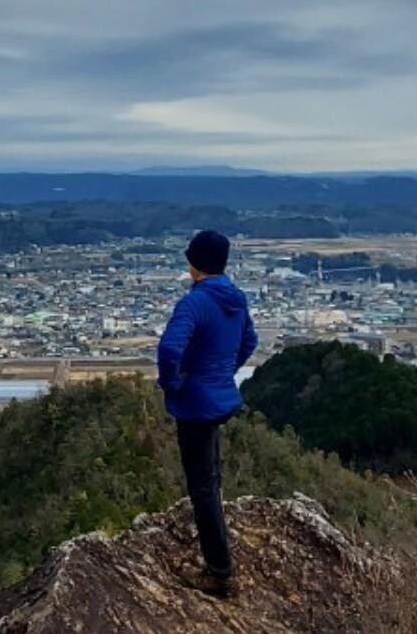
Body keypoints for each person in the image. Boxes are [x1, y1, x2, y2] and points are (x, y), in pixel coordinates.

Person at [157, 229, 258, 597]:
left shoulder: (195, 302)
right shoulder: (236, 298)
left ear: (194, 262)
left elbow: (169, 350)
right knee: (210, 479)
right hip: (218, 399)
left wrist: (173, 383)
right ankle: (219, 555)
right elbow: (249, 341)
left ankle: (219, 571)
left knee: (201, 488)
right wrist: (222, 374)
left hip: (195, 405)